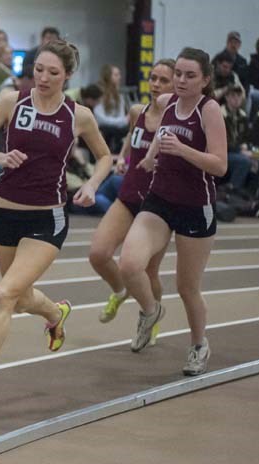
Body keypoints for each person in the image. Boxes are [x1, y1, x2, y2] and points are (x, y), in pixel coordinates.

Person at [0, 39, 112, 412]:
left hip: (46, 218)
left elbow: (104, 157)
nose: (44, 77)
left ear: (68, 75)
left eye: (53, 72)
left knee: (3, 296)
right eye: (38, 69)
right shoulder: (11, 100)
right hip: (4, 214)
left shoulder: (77, 115)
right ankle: (55, 314)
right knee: (17, 298)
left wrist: (92, 184)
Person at [119, 47, 227, 376]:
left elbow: (220, 165)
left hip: (195, 206)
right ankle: (151, 311)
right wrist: (151, 156)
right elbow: (161, 132)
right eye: (177, 73)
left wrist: (182, 150)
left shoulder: (209, 111)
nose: (180, 80)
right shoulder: (166, 104)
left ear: (205, 80)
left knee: (186, 287)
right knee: (129, 264)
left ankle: (198, 344)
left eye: (189, 75)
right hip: (160, 200)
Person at [88, 59, 175, 331]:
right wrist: (122, 158)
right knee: (98, 255)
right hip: (129, 195)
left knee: (148, 272)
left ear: (175, 87)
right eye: (153, 78)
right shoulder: (137, 111)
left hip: (158, 205)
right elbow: (130, 135)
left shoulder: (177, 122)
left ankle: (150, 320)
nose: (156, 85)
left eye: (163, 80)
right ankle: (119, 290)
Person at [95, 64, 130, 150]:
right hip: (104, 127)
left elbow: (122, 116)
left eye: (119, 75)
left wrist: (124, 121)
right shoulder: (100, 93)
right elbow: (100, 119)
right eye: (116, 75)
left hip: (118, 127)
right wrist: (123, 120)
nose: (120, 77)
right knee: (109, 130)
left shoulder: (119, 96)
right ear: (108, 76)